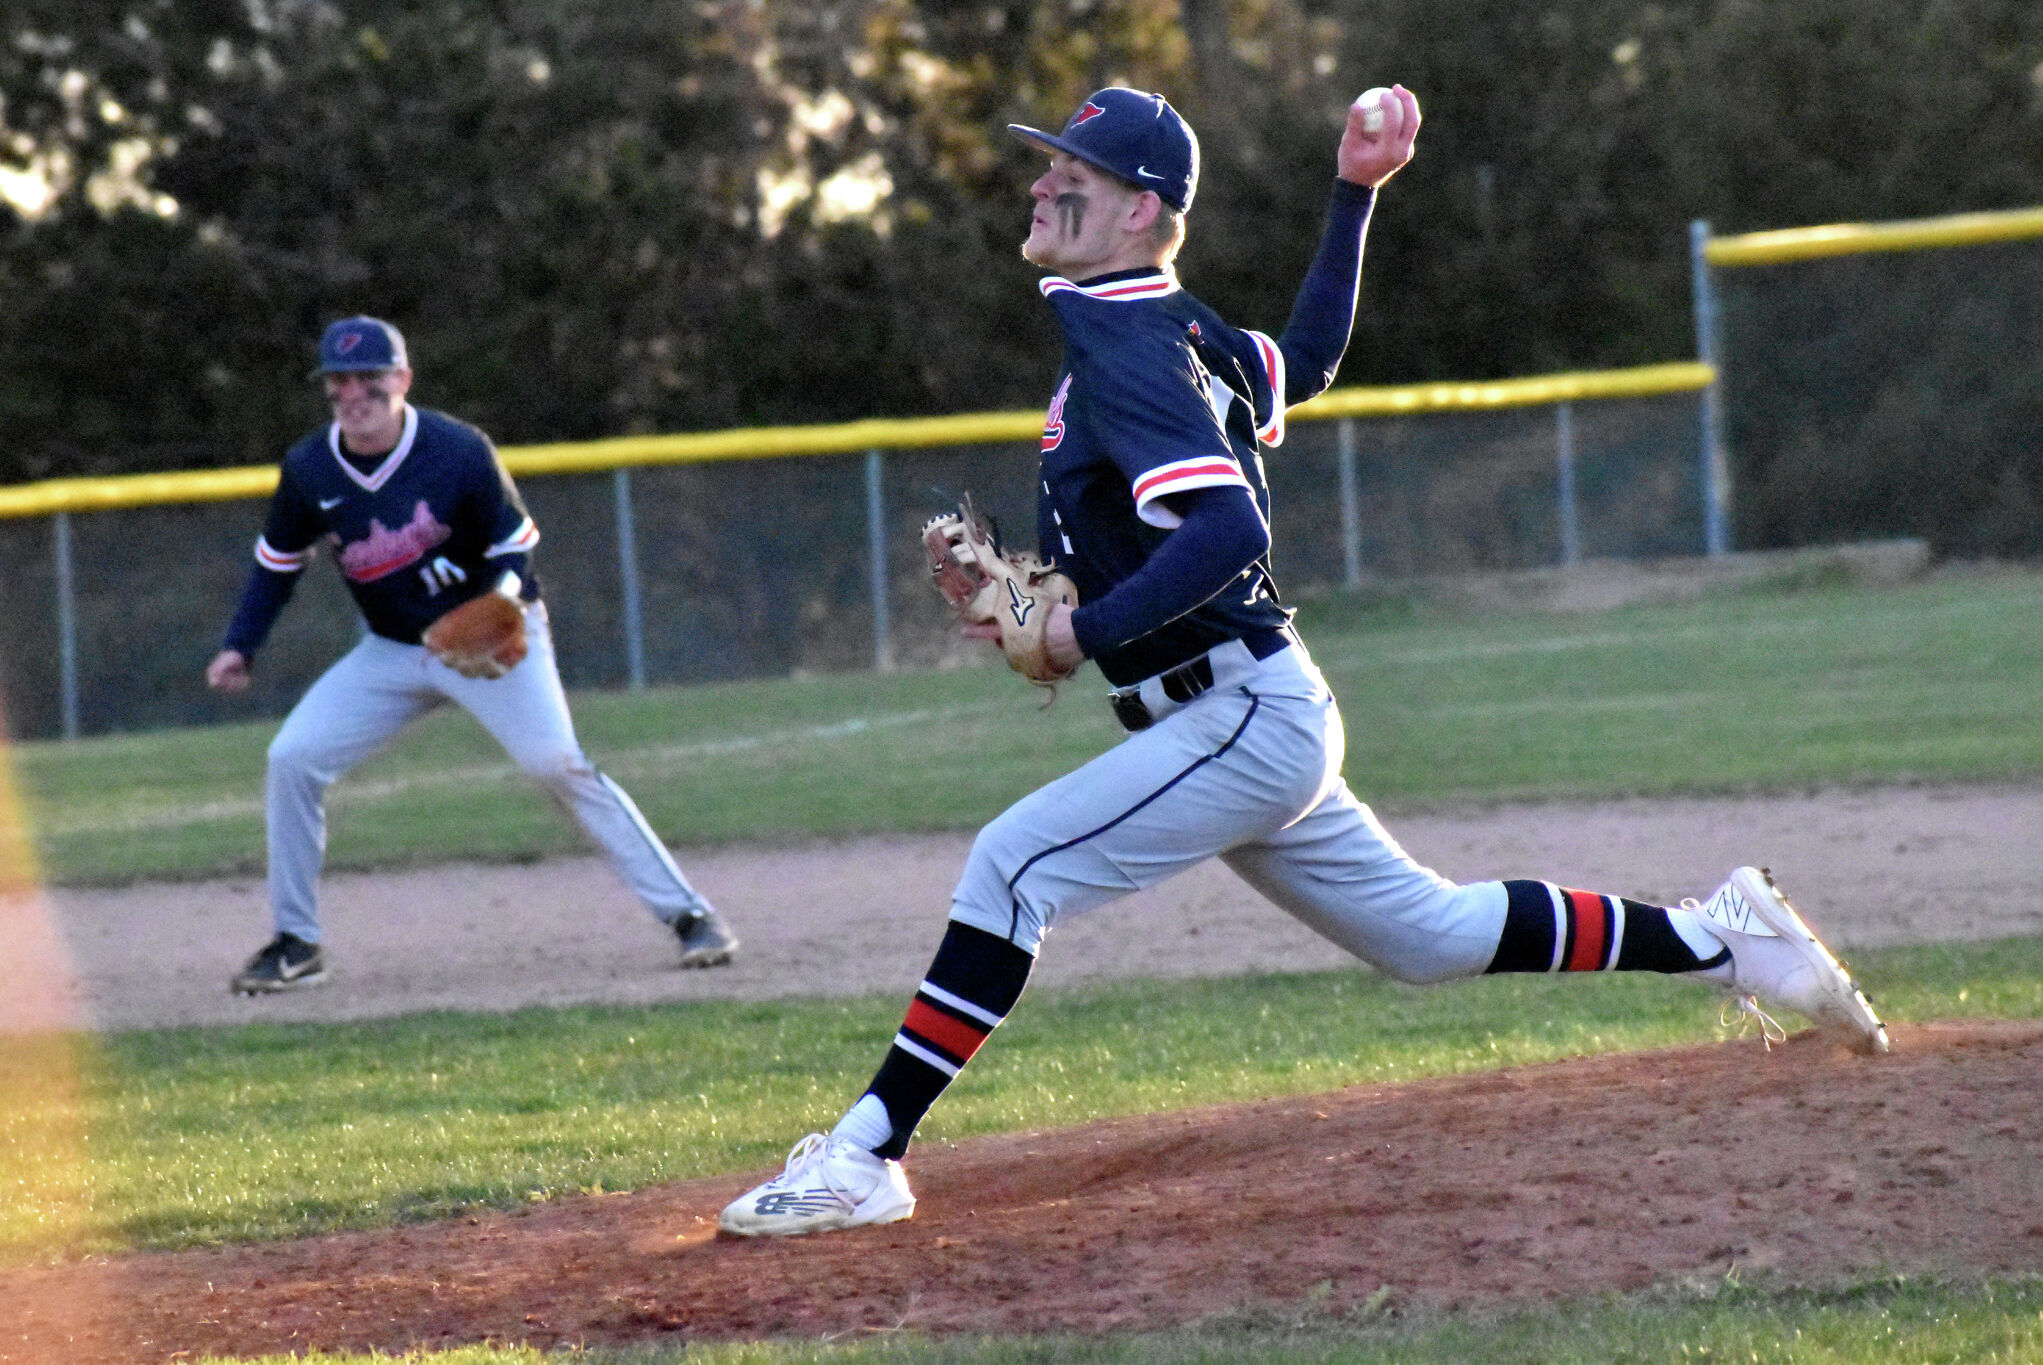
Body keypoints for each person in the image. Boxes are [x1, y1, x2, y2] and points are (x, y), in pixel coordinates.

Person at [717, 85, 1886, 1238]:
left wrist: (1086, 629)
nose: (1039, 184)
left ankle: (867, 1153)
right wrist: (1352, 193)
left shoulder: (1126, 340)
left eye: (1069, 175)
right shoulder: (1175, 330)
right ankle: (1723, 938)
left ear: (1140, 210)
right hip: (1247, 711)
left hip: (1236, 713)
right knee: (1424, 937)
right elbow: (1310, 357)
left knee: (1011, 867)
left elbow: (1229, 531)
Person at [206, 315, 737, 993]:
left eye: (367, 377)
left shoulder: (457, 449)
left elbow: (513, 543)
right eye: (338, 380)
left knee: (556, 762)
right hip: (395, 650)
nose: (352, 392)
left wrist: (504, 600)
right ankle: (296, 942)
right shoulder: (311, 468)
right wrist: (239, 646)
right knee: (292, 758)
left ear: (401, 379)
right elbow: (277, 565)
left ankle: (692, 916)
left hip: (496, 635)